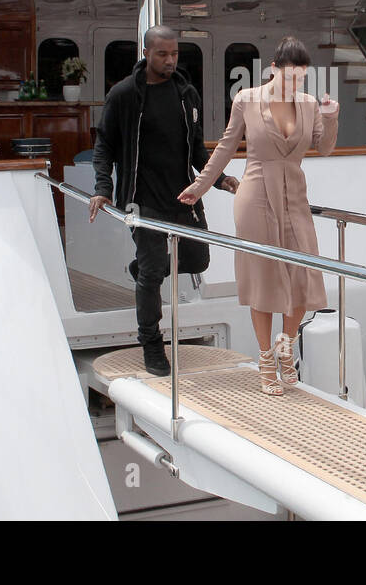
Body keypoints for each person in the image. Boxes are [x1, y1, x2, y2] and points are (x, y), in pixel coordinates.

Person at [178, 37, 339, 395]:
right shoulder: (247, 99)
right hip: (255, 196)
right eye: (289, 76)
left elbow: (324, 147)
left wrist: (331, 117)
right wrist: (201, 186)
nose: (295, 84)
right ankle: (266, 360)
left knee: (303, 275)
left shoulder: (310, 103)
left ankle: (285, 349)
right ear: (273, 70)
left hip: (295, 195)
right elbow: (224, 147)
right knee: (263, 281)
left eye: (301, 77)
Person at [89, 26, 240, 375]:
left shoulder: (186, 93)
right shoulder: (124, 94)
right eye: (162, 54)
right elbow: (104, 146)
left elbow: (196, 150)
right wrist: (102, 188)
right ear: (146, 52)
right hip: (142, 199)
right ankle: (151, 343)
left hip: (183, 196)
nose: (170, 60)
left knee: (197, 259)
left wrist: (218, 180)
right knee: (156, 270)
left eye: (174, 53)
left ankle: (142, 268)